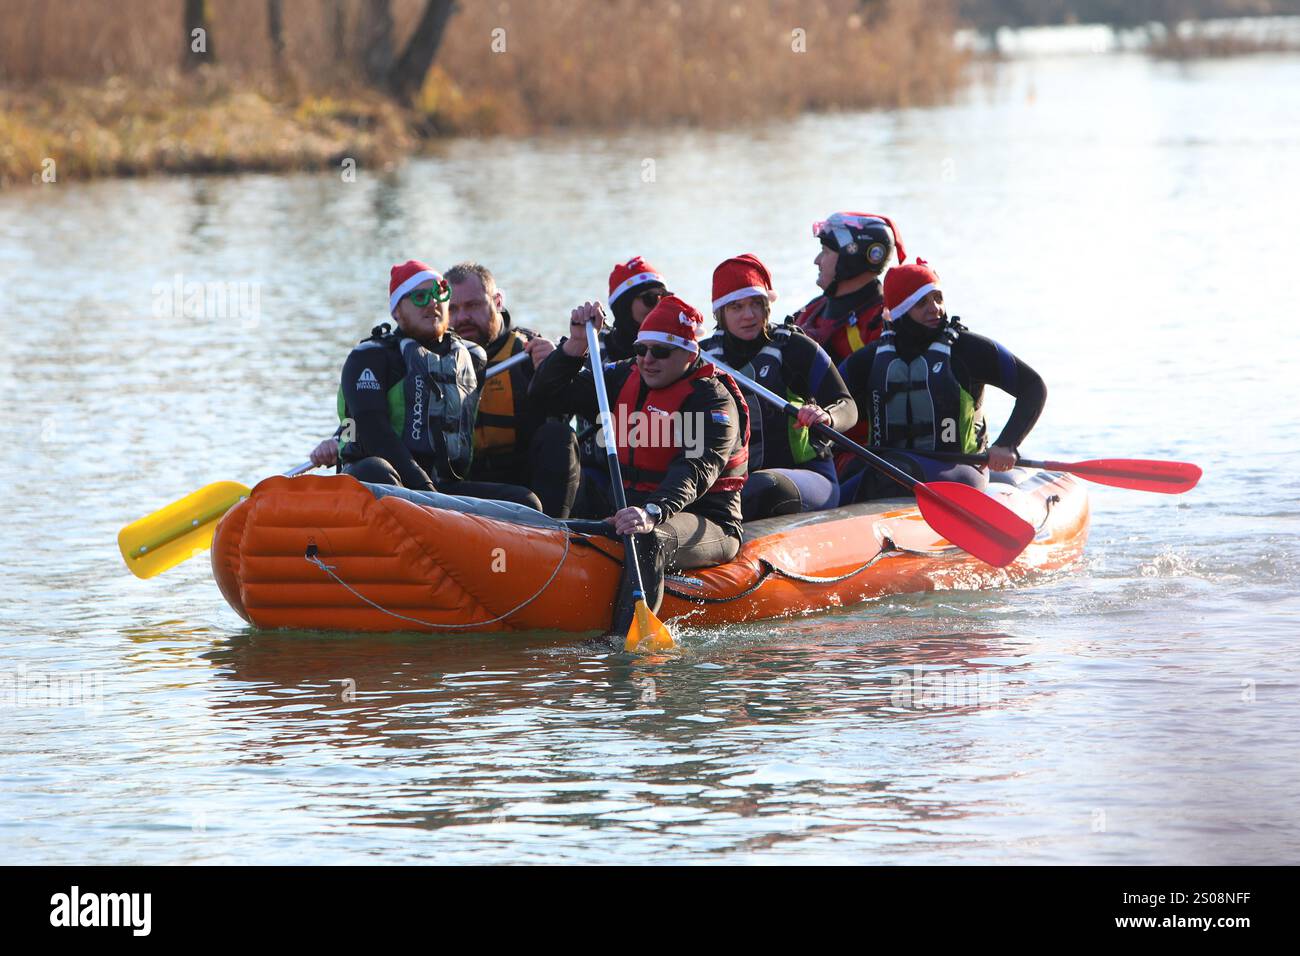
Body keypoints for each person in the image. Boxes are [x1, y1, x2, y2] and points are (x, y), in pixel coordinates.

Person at [530, 294, 750, 634]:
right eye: (641, 349)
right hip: (632, 512)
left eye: (660, 352)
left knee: (649, 538)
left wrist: (651, 511)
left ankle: (623, 647)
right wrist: (574, 345)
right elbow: (545, 395)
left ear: (690, 354)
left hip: (707, 520)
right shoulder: (622, 378)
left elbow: (694, 470)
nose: (647, 360)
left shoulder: (710, 400)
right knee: (576, 525)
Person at [333, 259, 541, 508]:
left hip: (441, 488)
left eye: (440, 292)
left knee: (526, 502)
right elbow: (373, 432)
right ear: (397, 311)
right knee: (374, 469)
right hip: (388, 481)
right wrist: (425, 490)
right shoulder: (369, 357)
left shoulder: (473, 357)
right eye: (420, 297)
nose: (432, 302)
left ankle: (556, 540)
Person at [838, 258, 1047, 501]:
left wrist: (1007, 443)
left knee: (893, 473)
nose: (935, 308)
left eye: (938, 298)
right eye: (922, 302)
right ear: (901, 309)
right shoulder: (869, 359)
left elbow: (1033, 387)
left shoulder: (968, 349)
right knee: (852, 477)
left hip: (960, 469)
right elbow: (836, 401)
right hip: (889, 468)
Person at [699, 254, 857, 520]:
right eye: (736, 307)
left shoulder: (795, 348)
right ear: (721, 313)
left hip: (809, 478)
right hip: (735, 483)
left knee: (760, 487)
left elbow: (848, 406)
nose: (748, 315)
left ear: (767, 306)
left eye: (756, 304)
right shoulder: (703, 359)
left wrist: (827, 416)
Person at [444, 262, 580, 518]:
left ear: (497, 302)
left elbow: (562, 414)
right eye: (453, 309)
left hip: (524, 482)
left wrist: (555, 369)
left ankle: (552, 532)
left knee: (558, 435)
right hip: (463, 483)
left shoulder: (527, 352)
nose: (462, 318)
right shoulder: (432, 357)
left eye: (473, 305)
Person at [794, 212, 906, 366]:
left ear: (851, 260)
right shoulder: (811, 310)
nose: (817, 261)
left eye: (825, 251)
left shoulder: (882, 321)